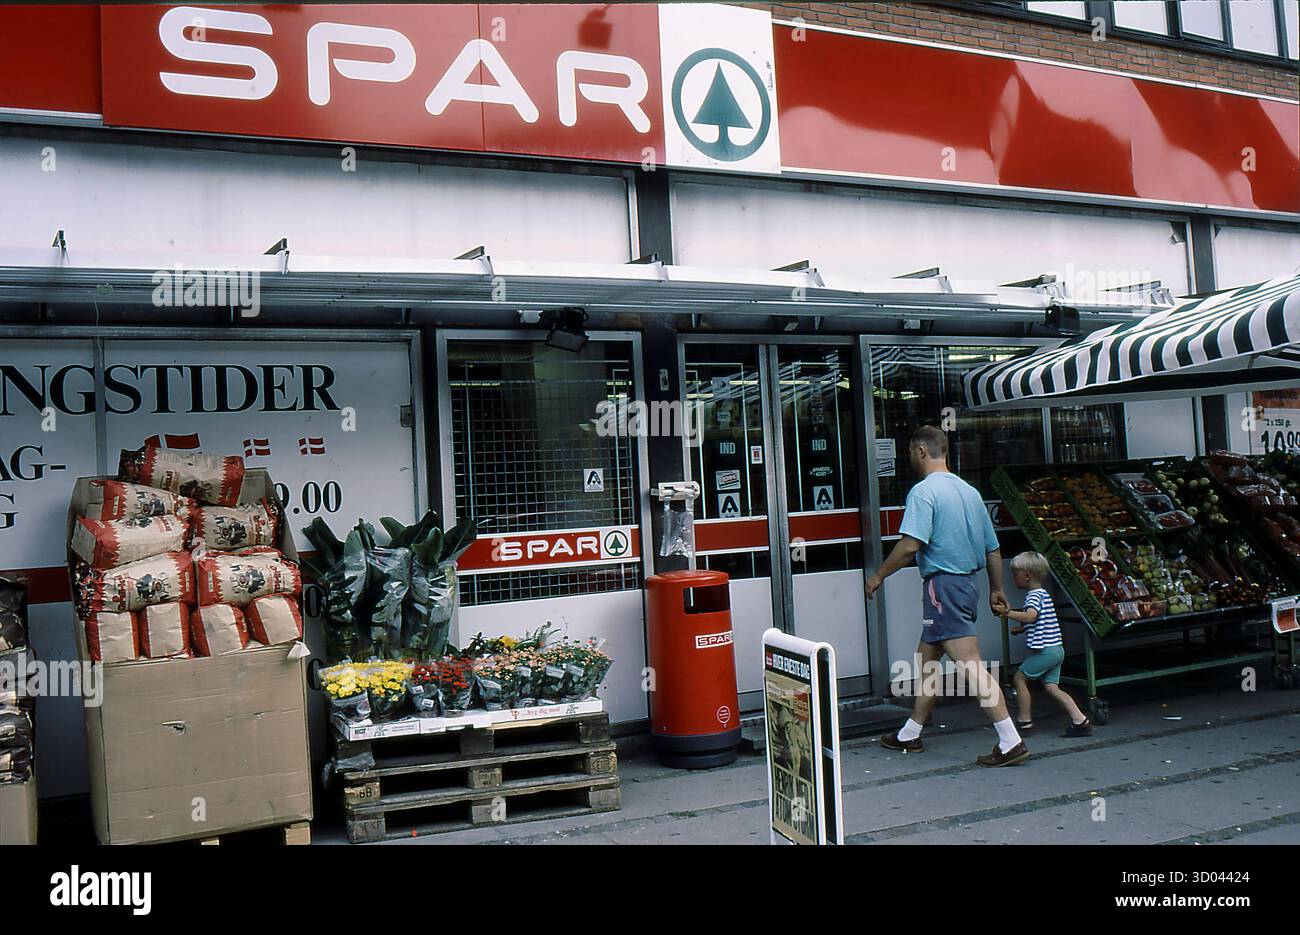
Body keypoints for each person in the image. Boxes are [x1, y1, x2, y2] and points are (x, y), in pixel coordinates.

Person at [865, 426, 1029, 767]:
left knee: (970, 665)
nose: (910, 458)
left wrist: (879, 575)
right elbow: (993, 550)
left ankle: (1009, 739)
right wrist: (996, 589)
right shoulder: (969, 492)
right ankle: (910, 733)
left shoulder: (924, 492)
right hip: (966, 585)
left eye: (911, 452)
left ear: (922, 452)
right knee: (926, 658)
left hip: (943, 587)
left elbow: (911, 545)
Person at [1002, 551, 1092, 736]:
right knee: (1052, 687)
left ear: (1027, 576)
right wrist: (1022, 630)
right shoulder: (1044, 594)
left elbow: (1030, 616)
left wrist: (1007, 613)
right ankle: (1080, 719)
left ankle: (1024, 721)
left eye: (1015, 575)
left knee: (1019, 678)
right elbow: (1041, 621)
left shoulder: (1033, 596)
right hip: (1056, 650)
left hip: (1045, 652)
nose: (1013, 579)